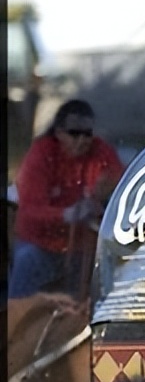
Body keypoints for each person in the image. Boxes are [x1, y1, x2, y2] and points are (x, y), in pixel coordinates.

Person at [8, 99, 124, 300]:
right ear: (59, 132)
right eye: (74, 133)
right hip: (39, 246)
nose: (82, 140)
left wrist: (101, 197)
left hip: (82, 251)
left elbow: (119, 179)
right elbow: (30, 210)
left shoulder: (101, 151)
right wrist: (66, 214)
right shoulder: (40, 155)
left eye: (87, 133)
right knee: (19, 300)